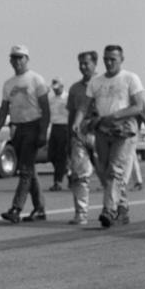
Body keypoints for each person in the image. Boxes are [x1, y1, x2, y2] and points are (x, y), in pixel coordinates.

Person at [73, 45, 144, 227]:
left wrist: (116, 115)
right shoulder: (96, 82)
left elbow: (138, 106)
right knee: (107, 173)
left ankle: (108, 211)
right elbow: (83, 105)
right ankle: (123, 210)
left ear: (121, 59)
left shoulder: (130, 78)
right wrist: (77, 121)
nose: (109, 62)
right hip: (103, 131)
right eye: (106, 59)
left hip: (123, 130)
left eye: (113, 59)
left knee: (115, 171)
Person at [0, 45, 50, 224]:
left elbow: (46, 109)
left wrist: (43, 132)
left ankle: (16, 208)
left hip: (33, 126)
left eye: (20, 58)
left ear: (27, 59)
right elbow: (3, 110)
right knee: (29, 170)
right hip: (17, 128)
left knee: (24, 170)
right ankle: (40, 209)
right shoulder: (9, 84)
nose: (17, 61)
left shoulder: (36, 80)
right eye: (14, 58)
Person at [66, 51, 102, 225]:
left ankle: (115, 209)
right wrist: (69, 136)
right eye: (80, 63)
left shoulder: (104, 83)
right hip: (80, 135)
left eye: (86, 63)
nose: (83, 67)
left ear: (95, 63)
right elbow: (72, 113)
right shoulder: (75, 88)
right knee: (80, 176)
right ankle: (81, 213)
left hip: (102, 134)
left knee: (108, 174)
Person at [47, 78, 70, 191]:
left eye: (57, 88)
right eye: (54, 89)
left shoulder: (67, 98)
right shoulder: (51, 99)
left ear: (62, 86)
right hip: (54, 127)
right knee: (51, 155)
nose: (55, 91)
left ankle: (58, 182)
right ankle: (67, 170)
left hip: (64, 127)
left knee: (61, 156)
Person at [130, 102, 145, 190]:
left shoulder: (134, 95)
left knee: (131, 156)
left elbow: (144, 113)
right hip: (118, 131)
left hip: (130, 131)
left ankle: (137, 182)